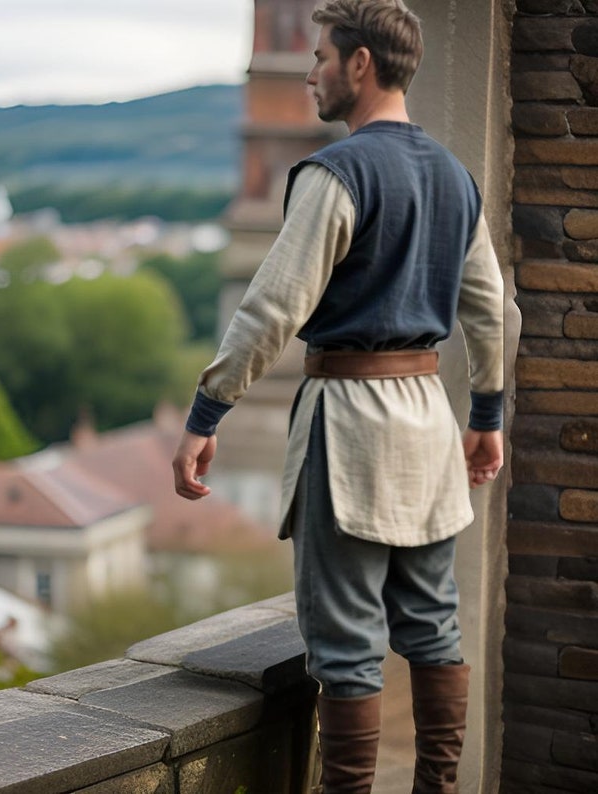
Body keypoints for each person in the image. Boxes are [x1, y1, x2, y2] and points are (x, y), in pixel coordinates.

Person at [172, 1, 507, 792]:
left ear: (361, 65)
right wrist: (485, 418)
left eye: (320, 57)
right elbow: (492, 309)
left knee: (349, 643)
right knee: (432, 627)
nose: (310, 73)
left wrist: (206, 412)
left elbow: (272, 307)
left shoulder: (338, 172)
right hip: (429, 425)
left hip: (348, 429)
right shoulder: (455, 176)